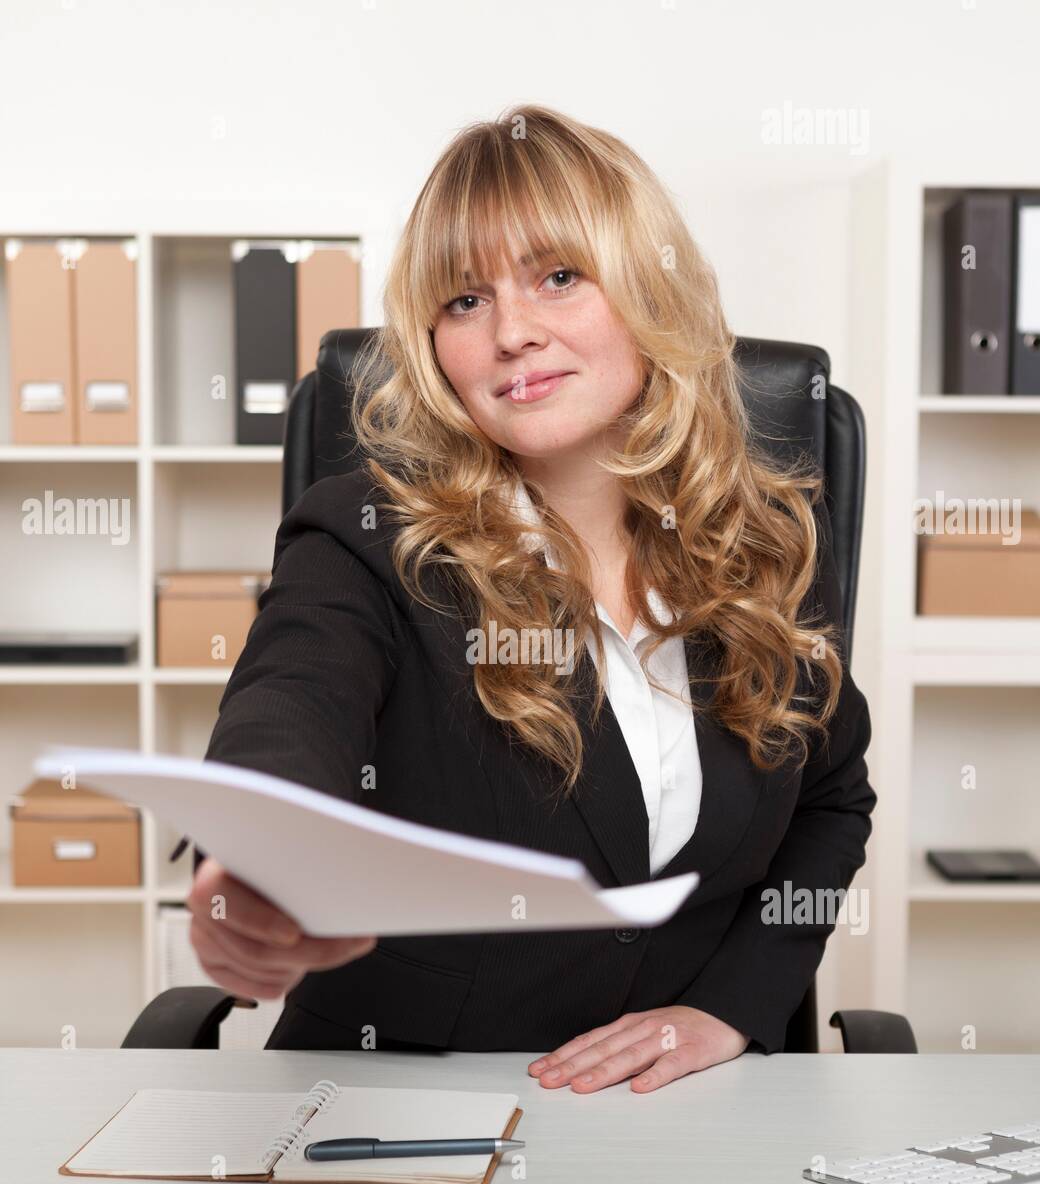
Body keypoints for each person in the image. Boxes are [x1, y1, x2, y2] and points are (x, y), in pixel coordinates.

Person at [184, 104, 876, 1093]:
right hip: (402, 1115)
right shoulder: (366, 536)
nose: (511, 332)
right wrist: (256, 850)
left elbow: (832, 796)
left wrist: (729, 1003)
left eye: (558, 276)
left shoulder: (750, 544)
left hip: (674, 1126)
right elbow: (295, 697)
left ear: (646, 289)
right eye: (462, 300)